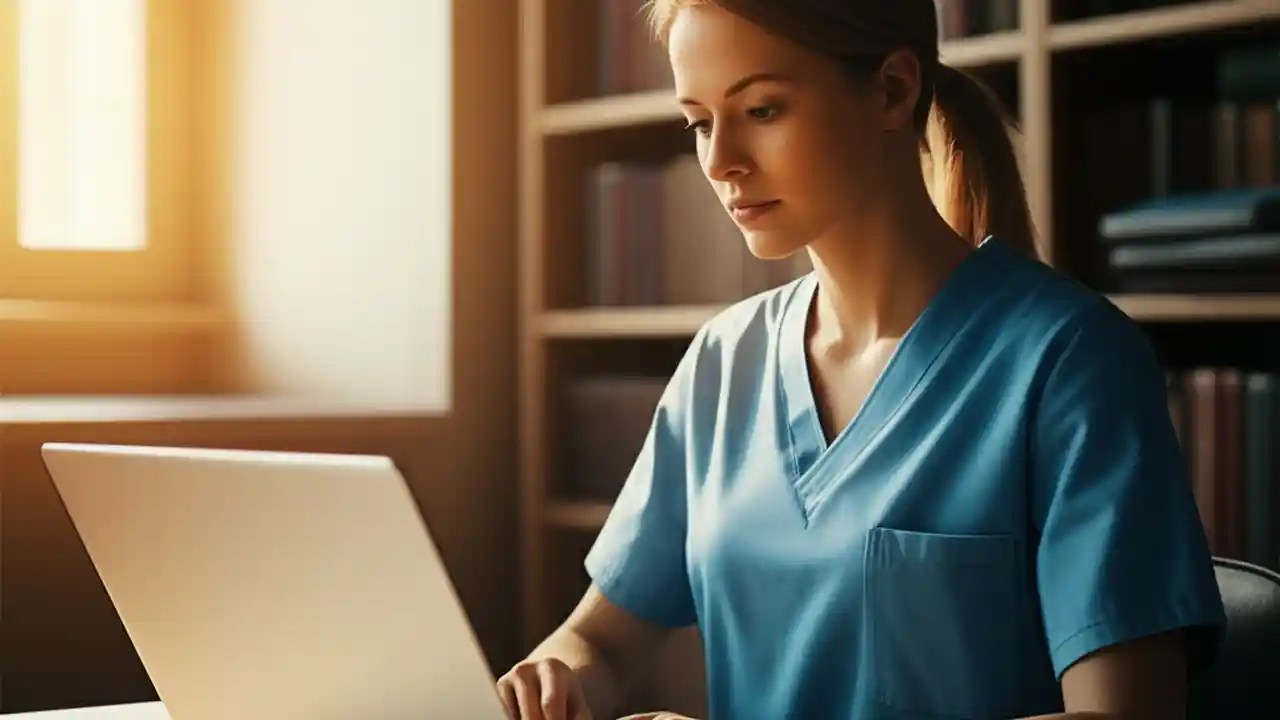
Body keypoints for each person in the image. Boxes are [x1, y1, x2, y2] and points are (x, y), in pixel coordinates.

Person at [497, 1, 1226, 718]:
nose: (720, 162)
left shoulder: (1070, 363)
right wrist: (560, 678)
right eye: (699, 122)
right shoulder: (724, 363)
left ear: (892, 90)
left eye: (762, 110)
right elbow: (601, 639)